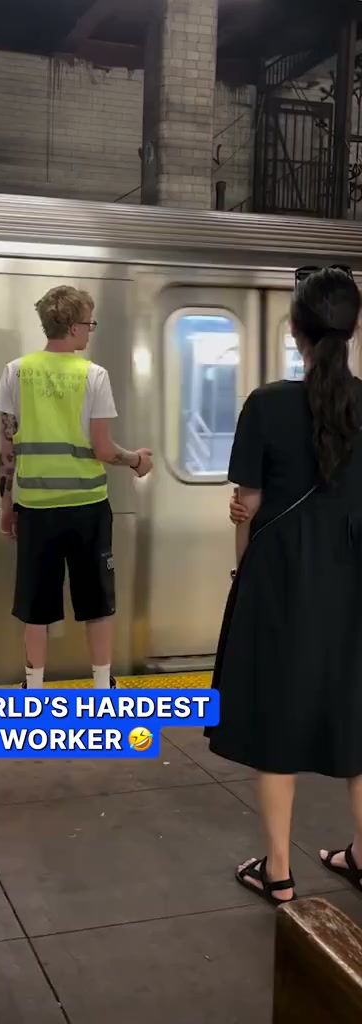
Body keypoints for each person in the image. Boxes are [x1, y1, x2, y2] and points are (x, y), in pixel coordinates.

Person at [205, 265, 362, 906]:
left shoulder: (266, 405)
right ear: (351, 330)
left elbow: (248, 503)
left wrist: (242, 566)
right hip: (354, 580)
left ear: (294, 328)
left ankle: (278, 871)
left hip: (281, 580)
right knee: (356, 719)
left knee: (277, 717)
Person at [0, 284, 152, 691]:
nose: (90, 331)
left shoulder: (16, 371)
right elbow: (102, 449)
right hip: (86, 507)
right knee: (96, 600)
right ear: (75, 326)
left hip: (35, 507)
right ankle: (101, 686)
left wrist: (6, 506)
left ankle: (34, 687)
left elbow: (6, 450)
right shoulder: (93, 376)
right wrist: (136, 460)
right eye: (89, 323)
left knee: (36, 605)